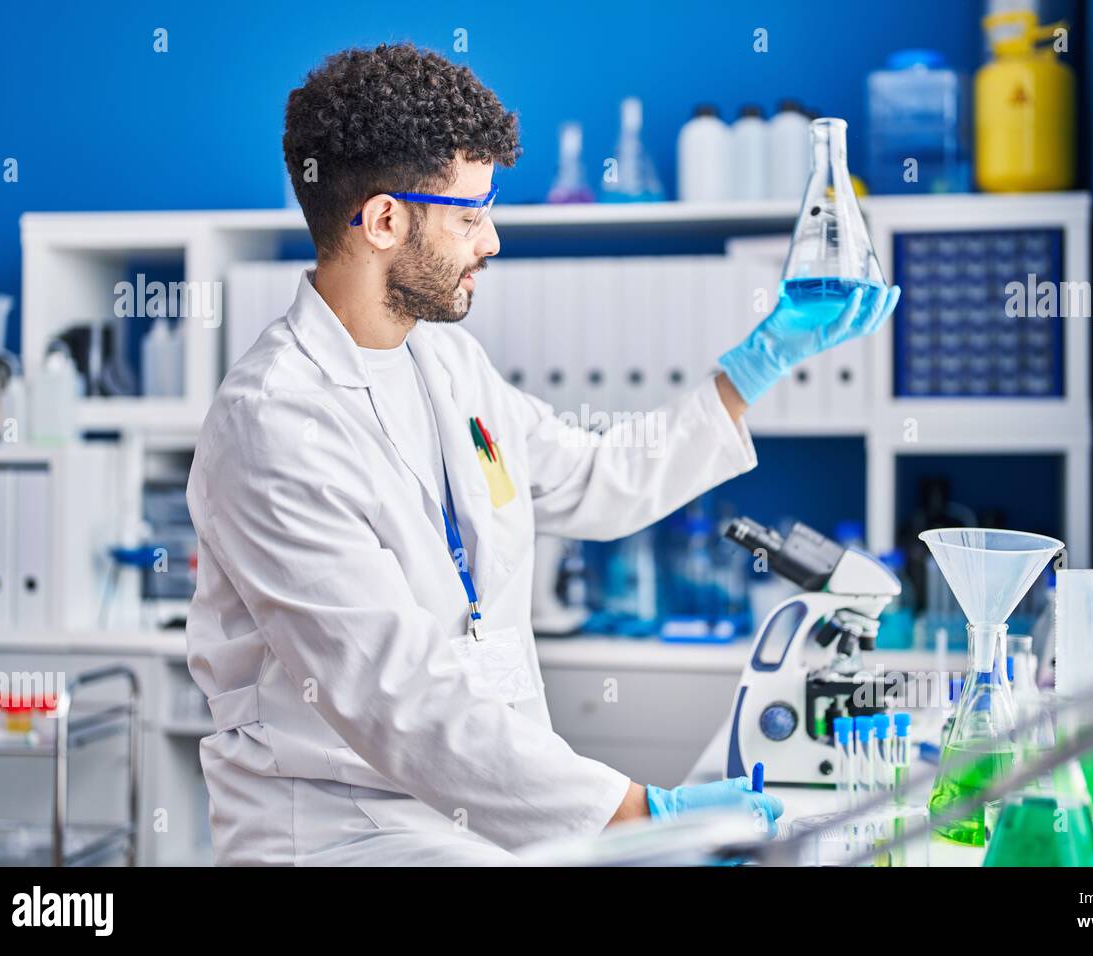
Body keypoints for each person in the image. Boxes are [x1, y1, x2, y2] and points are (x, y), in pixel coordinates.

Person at [186, 42, 899, 865]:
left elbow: (596, 480)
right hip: (347, 832)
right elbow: (398, 695)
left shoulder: (447, 364)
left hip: (488, 816)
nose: (490, 241)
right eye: (468, 215)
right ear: (383, 220)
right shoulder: (273, 425)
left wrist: (753, 368)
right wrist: (640, 815)